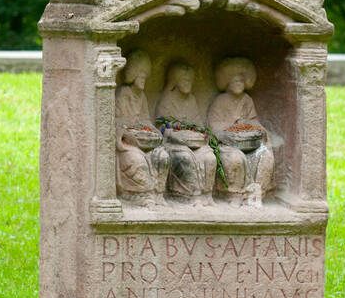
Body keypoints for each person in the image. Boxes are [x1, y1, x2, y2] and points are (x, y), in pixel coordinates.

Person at [208, 57, 277, 205]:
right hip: (227, 143)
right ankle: (234, 194)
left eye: (241, 81)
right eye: (235, 81)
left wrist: (260, 129)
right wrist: (229, 131)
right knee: (236, 158)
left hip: (248, 142)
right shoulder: (220, 101)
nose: (239, 84)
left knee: (265, 155)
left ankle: (257, 191)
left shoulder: (247, 100)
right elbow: (213, 126)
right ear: (227, 83)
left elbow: (252, 120)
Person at [154, 62, 217, 203]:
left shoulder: (192, 100)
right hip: (174, 144)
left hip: (194, 142)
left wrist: (201, 134)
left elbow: (199, 125)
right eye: (184, 80)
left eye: (190, 80)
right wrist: (174, 134)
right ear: (175, 81)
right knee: (185, 157)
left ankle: (206, 196)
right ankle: (185, 196)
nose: (188, 83)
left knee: (210, 158)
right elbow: (161, 126)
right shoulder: (167, 99)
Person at [114, 51, 169, 204]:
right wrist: (128, 131)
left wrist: (153, 131)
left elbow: (145, 120)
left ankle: (158, 194)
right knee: (137, 160)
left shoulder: (142, 96)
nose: (144, 81)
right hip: (126, 143)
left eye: (145, 78)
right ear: (133, 76)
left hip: (143, 140)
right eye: (141, 77)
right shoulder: (123, 93)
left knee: (162, 157)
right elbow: (117, 121)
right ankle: (138, 195)